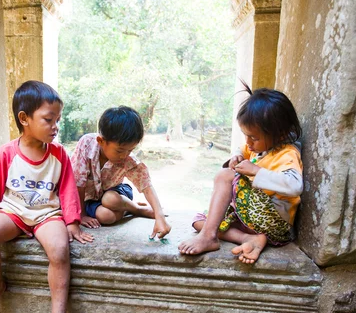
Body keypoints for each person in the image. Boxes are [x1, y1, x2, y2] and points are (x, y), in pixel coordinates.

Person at [0, 80, 93, 313]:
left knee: (60, 250)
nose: (56, 126)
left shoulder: (59, 154)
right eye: (48, 120)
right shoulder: (7, 153)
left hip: (47, 214)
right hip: (13, 211)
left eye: (58, 120)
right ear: (24, 119)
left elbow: (67, 188)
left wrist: (72, 221)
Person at [178, 82, 303, 264]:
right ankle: (248, 239)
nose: (248, 142)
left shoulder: (287, 153)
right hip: (254, 219)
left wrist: (256, 171)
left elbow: (295, 186)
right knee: (200, 221)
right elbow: (241, 149)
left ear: (281, 134)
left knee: (224, 175)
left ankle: (208, 236)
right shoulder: (259, 147)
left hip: (273, 222)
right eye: (246, 135)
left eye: (254, 137)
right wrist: (236, 157)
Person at [71, 106, 171, 239]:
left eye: (130, 150)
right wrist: (81, 214)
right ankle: (132, 209)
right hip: (90, 198)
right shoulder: (86, 144)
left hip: (117, 194)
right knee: (105, 217)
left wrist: (160, 217)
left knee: (109, 199)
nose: (124, 155)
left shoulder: (128, 159)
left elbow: (146, 186)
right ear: (101, 141)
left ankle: (137, 209)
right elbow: (78, 183)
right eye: (120, 151)